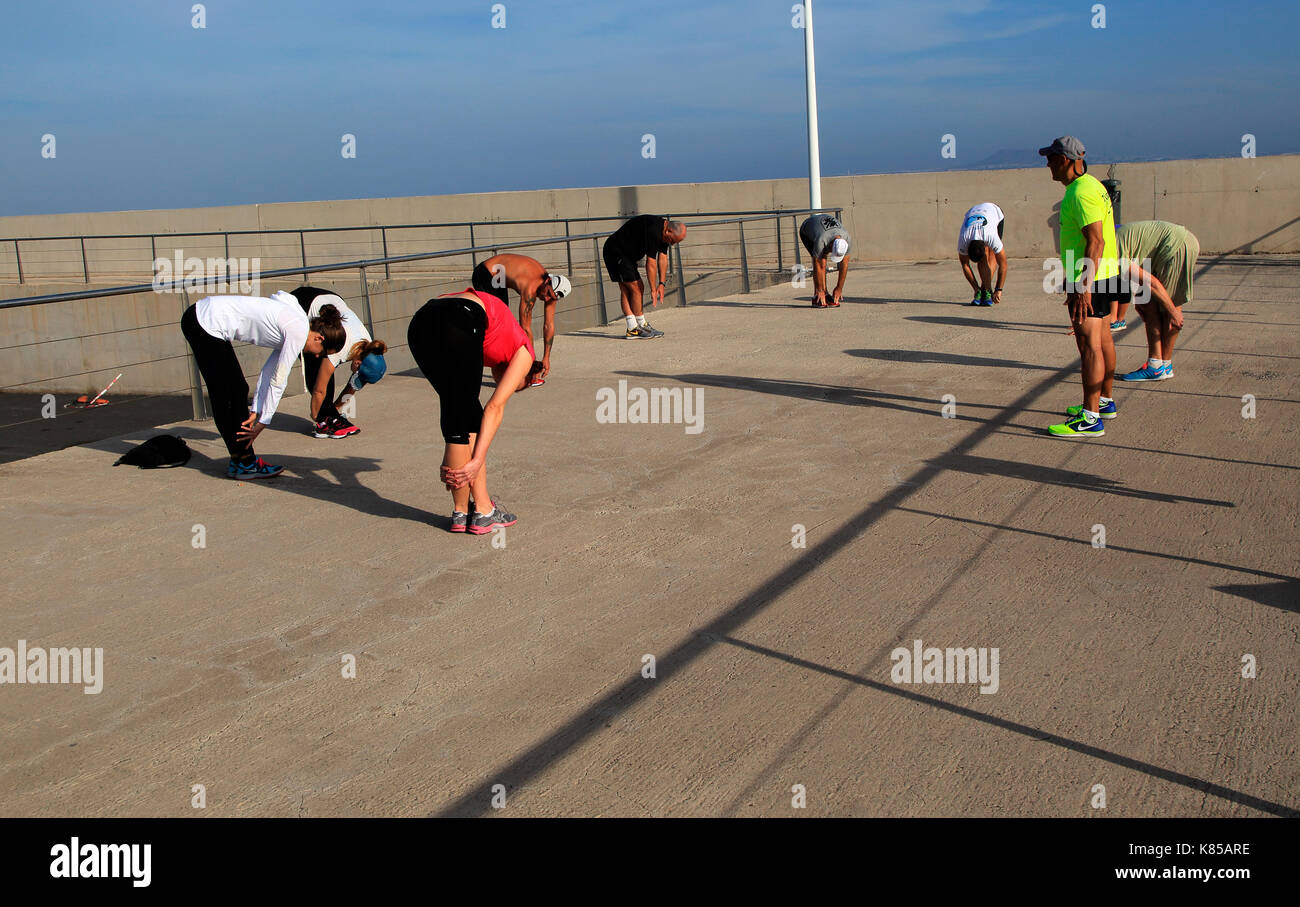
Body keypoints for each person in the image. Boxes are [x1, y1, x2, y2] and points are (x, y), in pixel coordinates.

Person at [407, 286, 541, 534]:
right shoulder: (525, 353)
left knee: (459, 406)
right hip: (459, 316)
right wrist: (477, 461)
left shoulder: (497, 342)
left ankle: (471, 510)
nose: (505, 383)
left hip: (422, 322)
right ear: (528, 374)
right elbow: (495, 407)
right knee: (461, 411)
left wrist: (452, 457)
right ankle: (476, 511)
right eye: (516, 382)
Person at [180, 290, 342, 477]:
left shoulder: (297, 322)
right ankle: (243, 463)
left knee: (238, 389)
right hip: (204, 323)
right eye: (321, 353)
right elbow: (279, 380)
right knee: (226, 394)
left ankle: (241, 461)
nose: (316, 356)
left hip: (205, 319)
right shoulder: (298, 332)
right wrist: (263, 422)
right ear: (319, 338)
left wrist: (257, 409)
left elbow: (268, 373)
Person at [1039, 136, 1128, 438]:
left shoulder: (1080, 192)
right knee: (1102, 341)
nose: (1048, 164)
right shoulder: (1090, 187)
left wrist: (1082, 287)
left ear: (1065, 159)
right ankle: (1104, 402)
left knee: (1089, 345)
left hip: (1092, 278)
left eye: (1051, 158)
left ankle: (1090, 418)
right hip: (1102, 275)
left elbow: (1097, 240)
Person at [290, 287, 388, 438]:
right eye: (358, 373)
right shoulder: (339, 349)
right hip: (303, 303)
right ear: (358, 363)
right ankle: (323, 420)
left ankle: (328, 414)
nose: (355, 375)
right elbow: (319, 390)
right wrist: (316, 416)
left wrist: (334, 411)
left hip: (330, 299)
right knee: (315, 364)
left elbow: (353, 384)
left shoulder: (368, 345)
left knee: (325, 367)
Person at [1115, 221, 1199, 382]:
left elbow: (1151, 283)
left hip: (1176, 246)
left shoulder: (1111, 254)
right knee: (1149, 306)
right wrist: (1140, 301)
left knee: (1169, 305)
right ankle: (1157, 363)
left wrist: (1173, 312)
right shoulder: (1110, 244)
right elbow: (1139, 270)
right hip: (1157, 252)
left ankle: (1161, 366)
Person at [471, 253, 571, 382]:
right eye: (547, 294)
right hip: (485, 273)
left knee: (502, 317)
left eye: (551, 297)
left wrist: (546, 357)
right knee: (496, 323)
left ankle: (505, 369)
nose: (546, 299)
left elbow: (549, 325)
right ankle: (489, 366)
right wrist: (533, 366)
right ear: (548, 281)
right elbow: (525, 328)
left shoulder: (551, 291)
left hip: (499, 277)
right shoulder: (530, 288)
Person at [602, 215, 686, 338]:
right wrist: (653, 289)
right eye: (673, 241)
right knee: (635, 287)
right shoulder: (654, 231)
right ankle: (634, 328)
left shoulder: (665, 233)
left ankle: (639, 325)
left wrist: (661, 284)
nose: (672, 244)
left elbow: (662, 258)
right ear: (668, 230)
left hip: (628, 256)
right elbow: (651, 263)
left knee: (629, 289)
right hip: (615, 252)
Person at [956, 202, 1007, 307]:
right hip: (973, 212)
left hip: (994, 211)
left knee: (991, 253)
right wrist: (975, 288)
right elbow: (965, 264)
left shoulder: (991, 237)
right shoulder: (963, 239)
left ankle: (986, 290)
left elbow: (1003, 265)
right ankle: (980, 291)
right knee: (982, 260)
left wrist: (998, 290)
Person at [799, 213, 852, 307]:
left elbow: (844, 265)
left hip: (824, 228)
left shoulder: (847, 239)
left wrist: (839, 288)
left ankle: (825, 294)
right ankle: (818, 295)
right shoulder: (821, 240)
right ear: (831, 244)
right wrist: (820, 290)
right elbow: (818, 265)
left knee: (823, 260)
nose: (831, 253)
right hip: (807, 228)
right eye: (832, 251)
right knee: (822, 262)